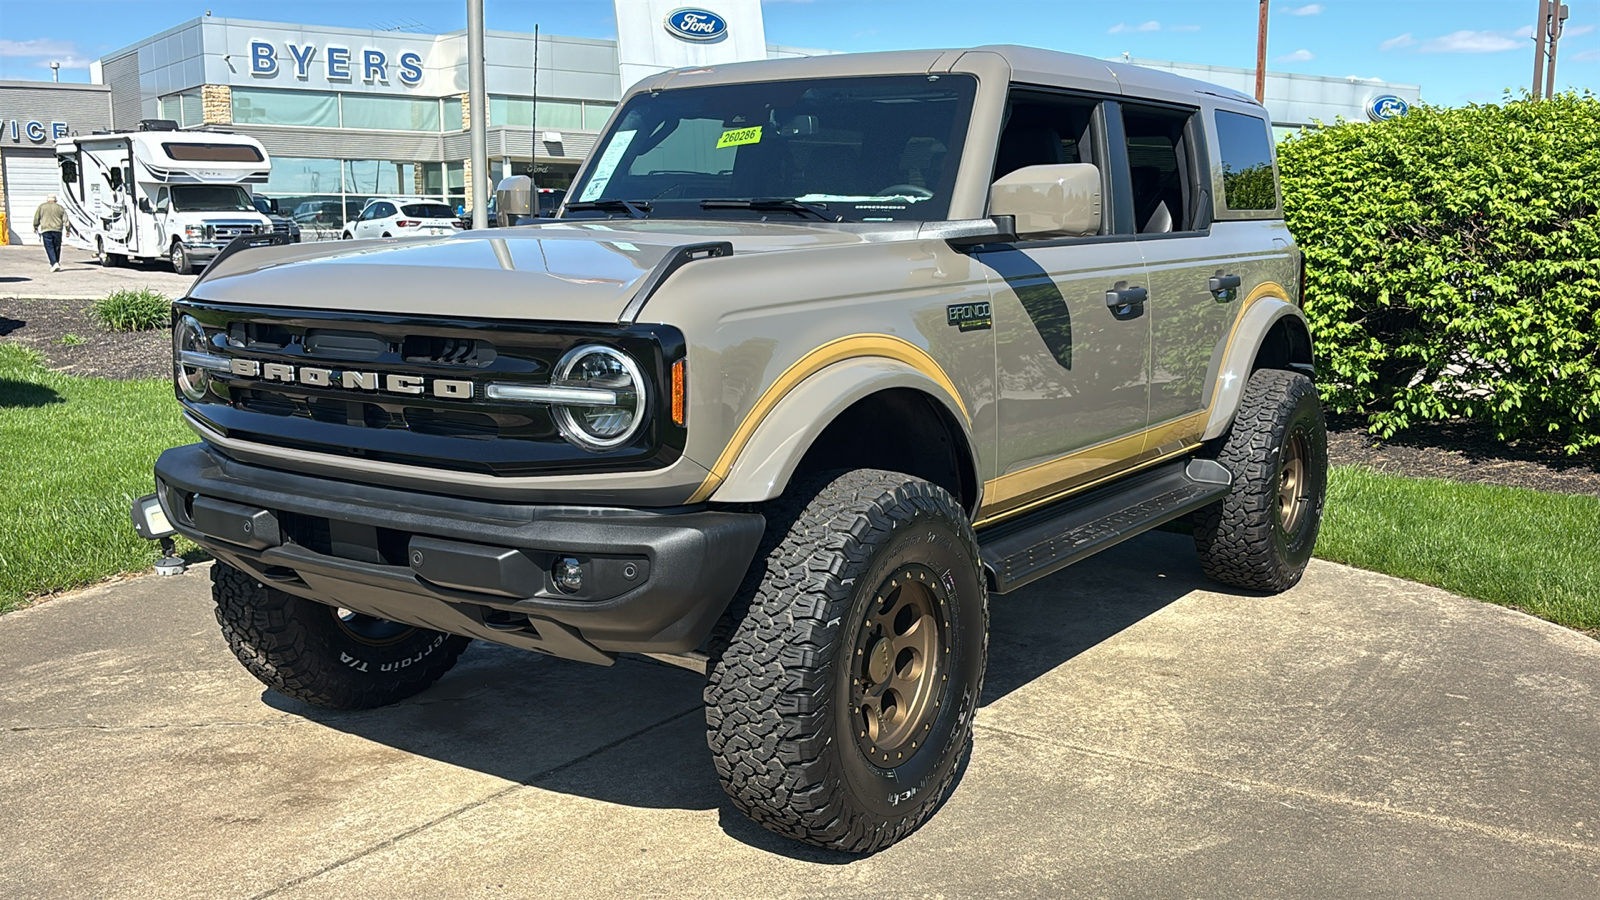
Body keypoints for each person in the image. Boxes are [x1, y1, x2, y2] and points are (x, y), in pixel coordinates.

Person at [33, 194, 66, 273]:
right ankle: (56, 262)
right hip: (57, 230)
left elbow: (37, 217)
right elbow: (65, 218)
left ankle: (54, 263)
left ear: (47, 199)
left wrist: (35, 226)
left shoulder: (42, 207)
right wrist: (68, 229)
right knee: (57, 247)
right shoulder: (60, 207)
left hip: (46, 230)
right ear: (55, 200)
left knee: (49, 247)